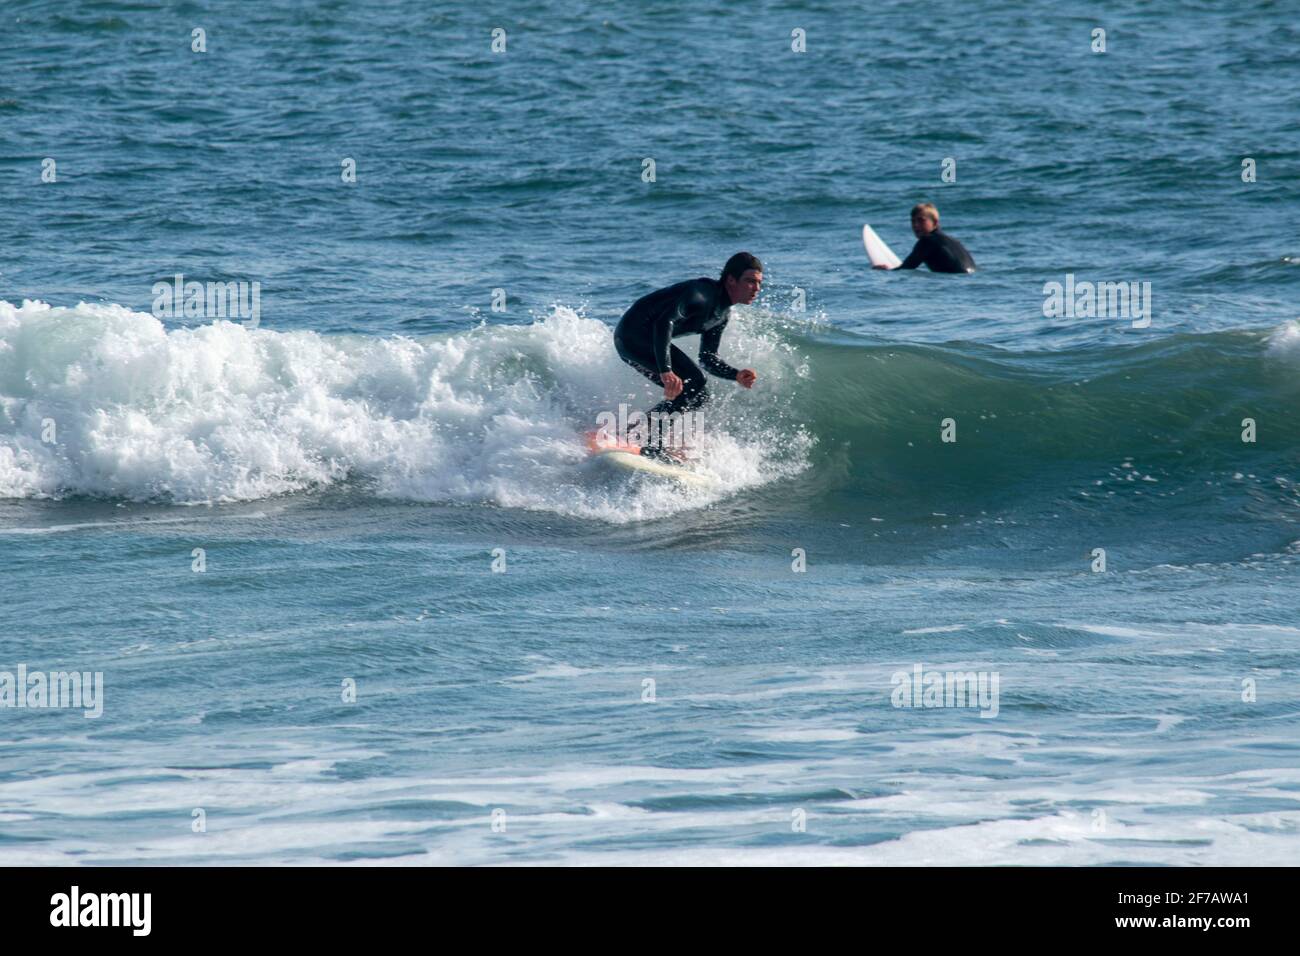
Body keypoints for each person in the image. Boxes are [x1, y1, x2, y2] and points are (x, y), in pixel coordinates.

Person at [612, 252, 761, 460]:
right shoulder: (701, 293)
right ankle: (652, 445)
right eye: (750, 281)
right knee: (694, 382)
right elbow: (665, 322)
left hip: (642, 341)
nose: (756, 288)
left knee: (699, 395)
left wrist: (736, 374)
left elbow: (707, 358)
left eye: (758, 283)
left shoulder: (721, 315)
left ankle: (635, 430)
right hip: (633, 334)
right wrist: (666, 371)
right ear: (731, 279)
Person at [875, 203, 975, 273]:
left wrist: (886, 272)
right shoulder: (954, 241)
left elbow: (906, 269)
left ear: (935, 223)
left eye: (921, 221)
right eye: (913, 221)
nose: (916, 225)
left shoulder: (927, 241)